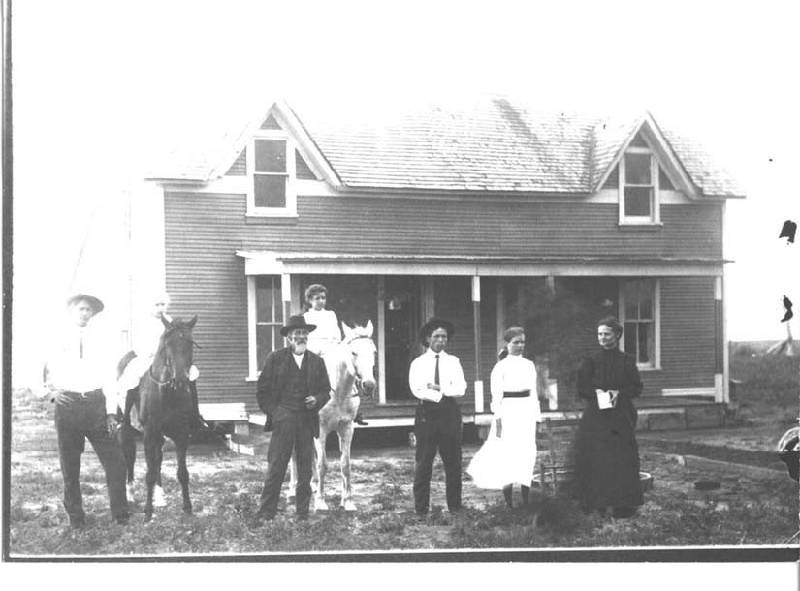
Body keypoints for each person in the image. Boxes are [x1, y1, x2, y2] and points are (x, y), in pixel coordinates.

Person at [42, 293, 129, 528]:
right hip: (67, 406)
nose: (84, 314)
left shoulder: (101, 340)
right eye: (81, 309)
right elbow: (35, 365)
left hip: (95, 406)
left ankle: (120, 516)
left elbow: (110, 377)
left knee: (116, 462)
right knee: (70, 467)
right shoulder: (56, 337)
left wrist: (111, 412)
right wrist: (48, 394)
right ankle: (76, 519)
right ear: (71, 310)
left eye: (88, 310)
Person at [252, 315, 331, 523]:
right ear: (288, 337)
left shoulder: (317, 361)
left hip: (306, 421)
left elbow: (326, 391)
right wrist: (276, 413)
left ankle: (302, 514)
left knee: (305, 470)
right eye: (296, 333)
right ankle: (266, 513)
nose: (301, 337)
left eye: (304, 333)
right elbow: (262, 392)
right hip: (283, 420)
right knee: (276, 466)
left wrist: (318, 399)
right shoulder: (275, 358)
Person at [574, 316, 644, 518]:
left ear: (618, 335)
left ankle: (623, 505)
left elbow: (636, 387)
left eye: (607, 334)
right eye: (599, 334)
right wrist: (596, 394)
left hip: (620, 416)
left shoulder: (627, 360)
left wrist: (618, 393)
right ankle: (597, 504)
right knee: (597, 458)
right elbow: (582, 388)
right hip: (597, 416)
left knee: (621, 458)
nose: (602, 338)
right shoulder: (591, 361)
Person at [467, 327, 542, 507]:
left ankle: (525, 498)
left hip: (526, 412)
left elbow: (534, 394)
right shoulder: (500, 367)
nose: (520, 345)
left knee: (526, 452)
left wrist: (536, 418)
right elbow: (496, 396)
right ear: (507, 344)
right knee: (507, 452)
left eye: (522, 342)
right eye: (516, 342)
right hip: (508, 411)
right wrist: (499, 420)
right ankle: (509, 502)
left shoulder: (529, 365)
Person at [118, 291, 202, 431]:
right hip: (148, 357)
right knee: (131, 378)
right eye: (157, 305)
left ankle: (195, 414)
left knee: (192, 374)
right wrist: (151, 352)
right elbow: (139, 344)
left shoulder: (171, 322)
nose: (160, 308)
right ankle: (126, 418)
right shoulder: (143, 322)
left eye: (163, 304)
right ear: (151, 306)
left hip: (169, 360)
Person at [408, 318, 466, 515]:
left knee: (453, 462)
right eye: (436, 336)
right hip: (427, 414)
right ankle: (421, 510)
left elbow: (461, 388)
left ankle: (456, 508)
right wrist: (441, 394)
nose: (441, 340)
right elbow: (417, 389)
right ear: (428, 338)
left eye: (444, 337)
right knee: (424, 462)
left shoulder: (453, 361)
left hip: (449, 414)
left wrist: (440, 388)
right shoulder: (418, 363)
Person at [303, 283, 368, 425]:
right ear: (309, 300)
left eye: (323, 298)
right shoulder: (306, 316)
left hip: (332, 347)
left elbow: (337, 333)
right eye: (317, 298)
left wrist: (336, 346)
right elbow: (307, 337)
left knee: (349, 366)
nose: (321, 301)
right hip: (315, 349)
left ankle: (354, 408)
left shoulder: (330, 314)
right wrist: (319, 348)